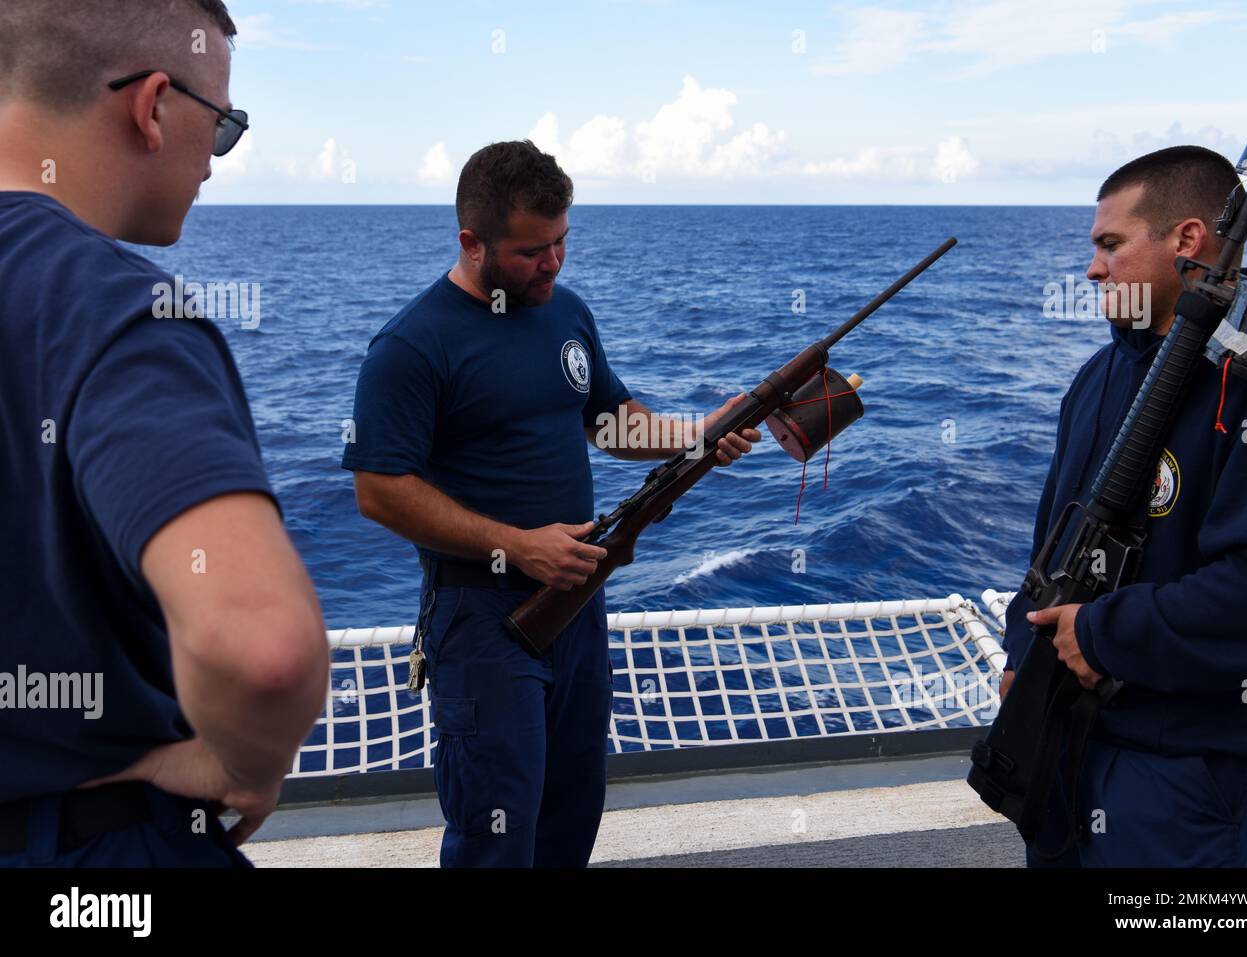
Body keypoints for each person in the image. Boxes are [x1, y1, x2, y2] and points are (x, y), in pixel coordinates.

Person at [344, 140, 760, 867]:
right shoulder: (413, 345)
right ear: (472, 242)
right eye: (534, 250)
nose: (555, 263)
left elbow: (610, 420)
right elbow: (379, 490)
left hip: (577, 608)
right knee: (496, 838)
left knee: (571, 815)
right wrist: (516, 542)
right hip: (482, 623)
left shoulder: (565, 311)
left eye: (564, 240)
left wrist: (695, 436)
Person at [0, 0, 328, 867]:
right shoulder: (115, 312)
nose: (214, 166)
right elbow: (263, 650)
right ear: (152, 105)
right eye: (220, 127)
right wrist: (241, 762)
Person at [1001, 145, 1247, 867]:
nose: (1092, 268)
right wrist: (1023, 652)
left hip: (1182, 765)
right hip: (1065, 737)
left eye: (1110, 244)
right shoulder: (1098, 378)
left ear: (1187, 239)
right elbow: (1053, 539)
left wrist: (1104, 635)